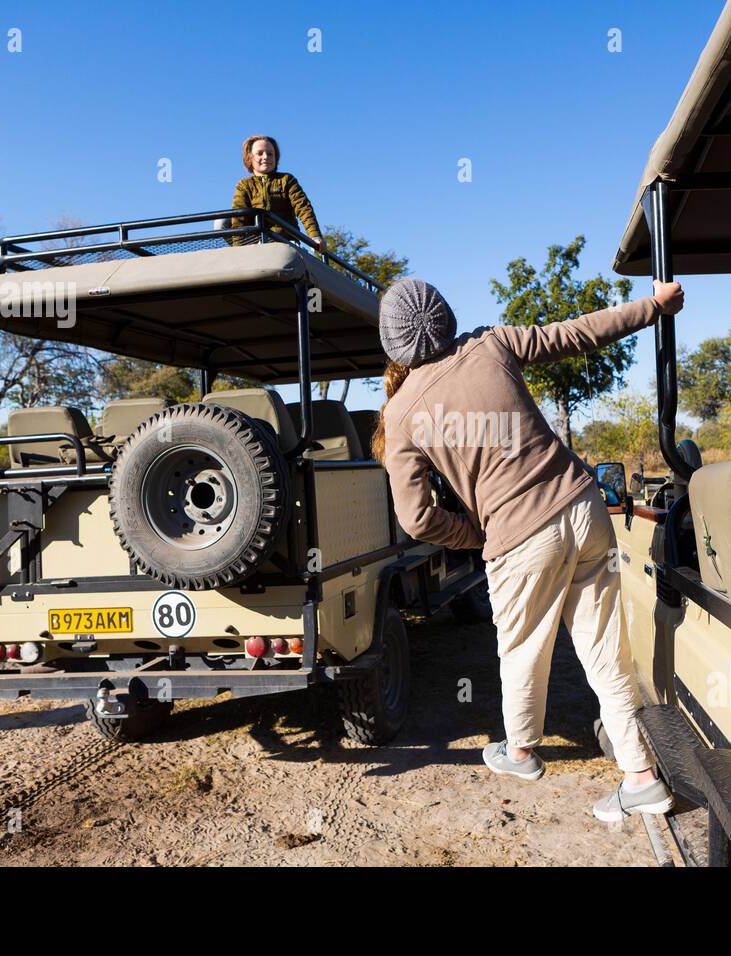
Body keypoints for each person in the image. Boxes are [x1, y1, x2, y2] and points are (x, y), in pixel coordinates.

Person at [372, 276, 687, 821]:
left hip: (518, 537)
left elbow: (415, 517)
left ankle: (519, 750)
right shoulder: (492, 344)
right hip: (584, 506)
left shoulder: (400, 415)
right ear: (444, 316)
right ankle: (639, 777)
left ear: (392, 345)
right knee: (605, 649)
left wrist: (476, 533)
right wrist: (652, 307)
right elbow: (580, 333)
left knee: (522, 650)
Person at [227, 135, 326, 251]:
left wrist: (315, 236)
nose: (265, 157)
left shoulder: (286, 180)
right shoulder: (244, 185)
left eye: (270, 154)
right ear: (249, 158)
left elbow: (303, 208)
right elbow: (239, 218)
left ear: (276, 158)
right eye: (260, 153)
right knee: (223, 221)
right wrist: (238, 250)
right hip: (257, 242)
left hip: (285, 241)